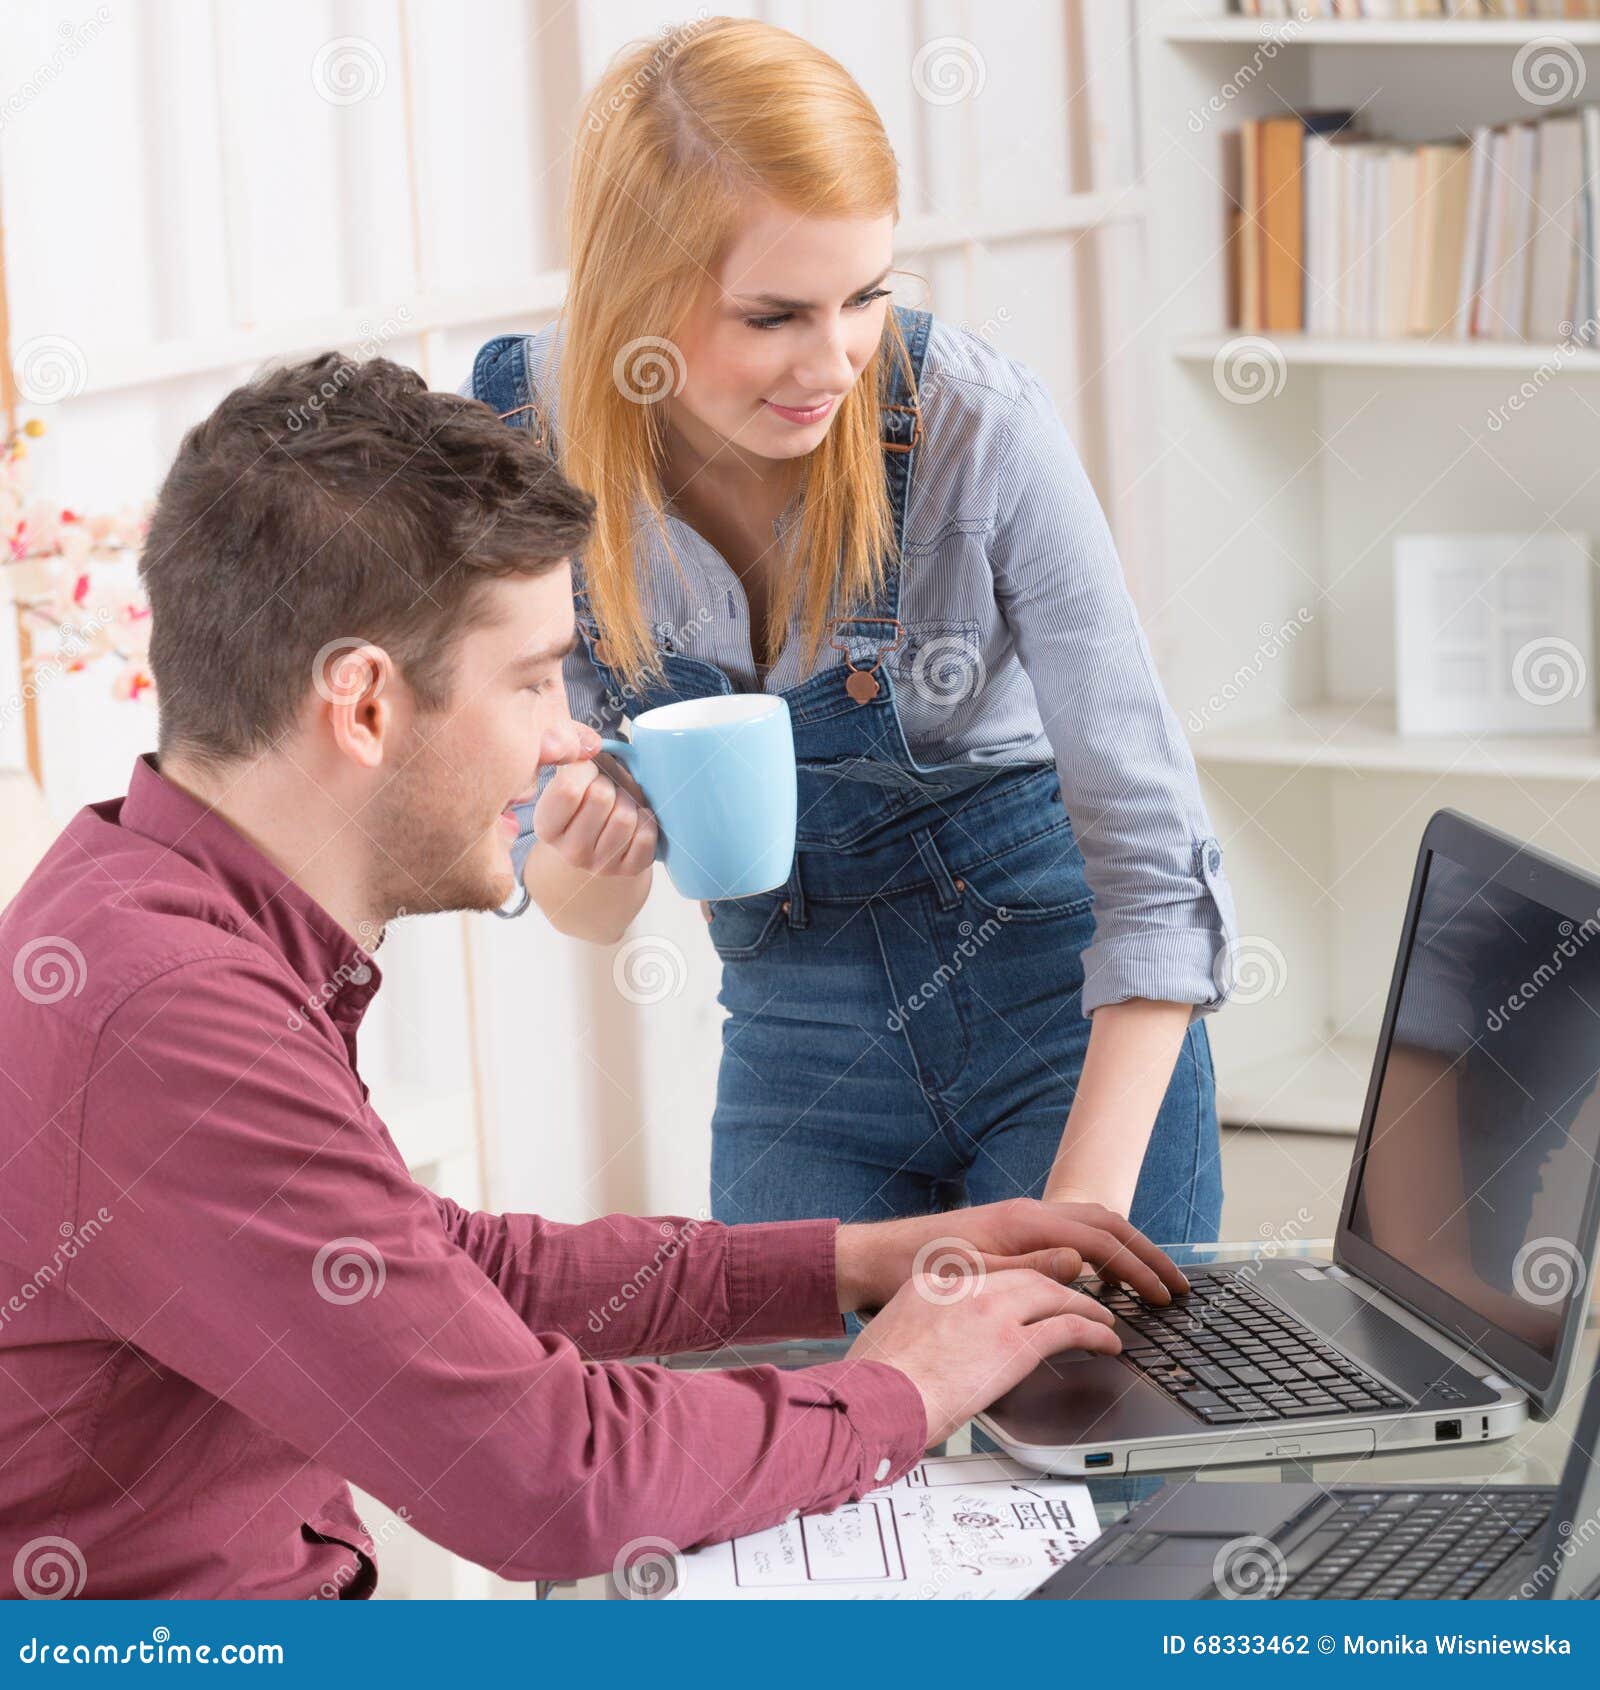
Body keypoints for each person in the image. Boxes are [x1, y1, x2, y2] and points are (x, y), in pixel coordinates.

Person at [0, 354, 1190, 1599]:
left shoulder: (154, 915)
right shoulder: (170, 1020)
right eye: (528, 681)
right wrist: (899, 1384)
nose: (569, 735)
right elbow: (554, 1479)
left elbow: (437, 1266)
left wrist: (855, 1258)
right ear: (360, 707)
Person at [465, 16, 1240, 1250]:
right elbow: (570, 899)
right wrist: (583, 852)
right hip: (797, 1040)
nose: (831, 364)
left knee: (1082, 1439)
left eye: (866, 295)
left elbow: (1155, 856)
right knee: (816, 1442)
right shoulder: (523, 438)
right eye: (772, 316)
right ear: (633, 302)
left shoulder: (968, 421)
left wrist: (1079, 1211)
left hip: (1058, 1008)